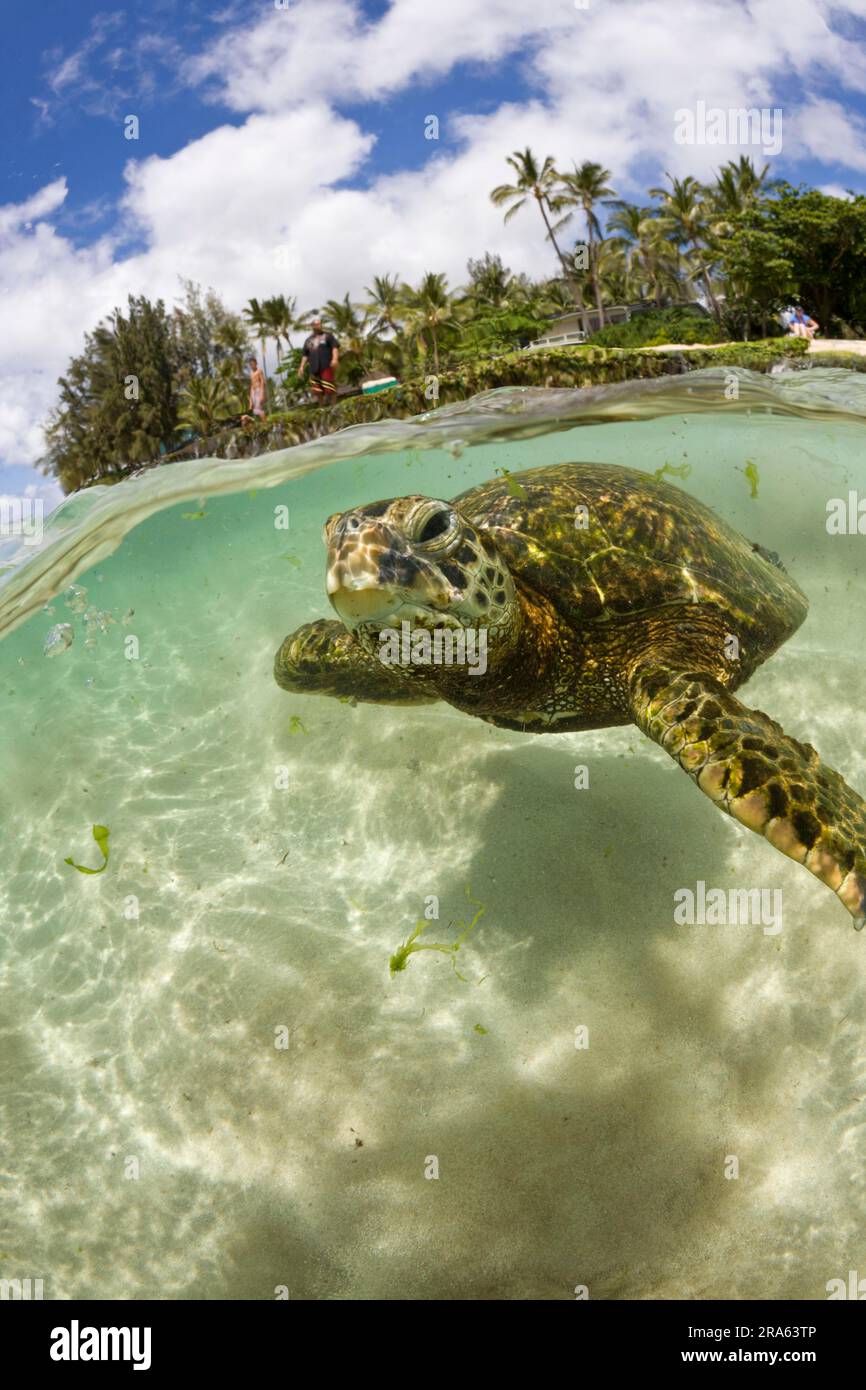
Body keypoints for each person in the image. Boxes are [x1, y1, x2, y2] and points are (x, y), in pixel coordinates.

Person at [299, 318, 339, 404]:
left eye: (319, 324)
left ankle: (334, 406)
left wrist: (335, 359)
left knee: (330, 388)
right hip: (313, 369)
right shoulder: (308, 340)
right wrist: (301, 367)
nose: (318, 325)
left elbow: (335, 348)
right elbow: (305, 355)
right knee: (317, 391)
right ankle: (321, 408)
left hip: (326, 366)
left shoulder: (328, 336)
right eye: (316, 324)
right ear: (312, 326)